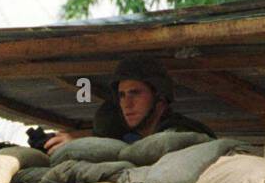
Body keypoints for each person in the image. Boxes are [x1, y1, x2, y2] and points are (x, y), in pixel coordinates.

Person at [42, 56, 214, 153]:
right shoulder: (127, 138)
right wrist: (73, 143)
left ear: (159, 97)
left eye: (135, 93)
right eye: (122, 96)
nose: (127, 104)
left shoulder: (182, 133)